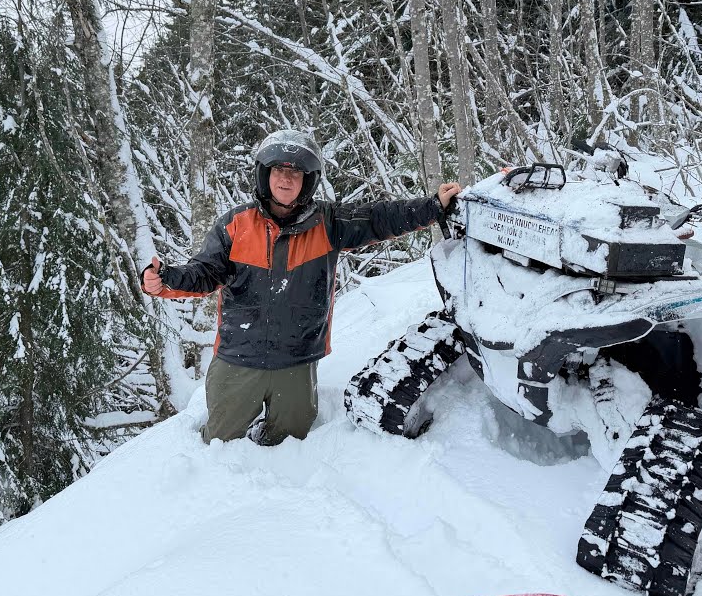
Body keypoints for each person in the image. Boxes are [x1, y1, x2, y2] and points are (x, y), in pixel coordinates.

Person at [142, 129, 462, 445]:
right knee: (219, 442)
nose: (286, 179)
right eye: (279, 170)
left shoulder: (328, 222)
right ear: (265, 175)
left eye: (295, 172)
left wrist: (432, 206)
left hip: (297, 359)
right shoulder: (235, 225)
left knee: (292, 442)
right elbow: (204, 272)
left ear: (308, 180)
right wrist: (166, 279)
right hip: (239, 357)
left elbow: (379, 218)